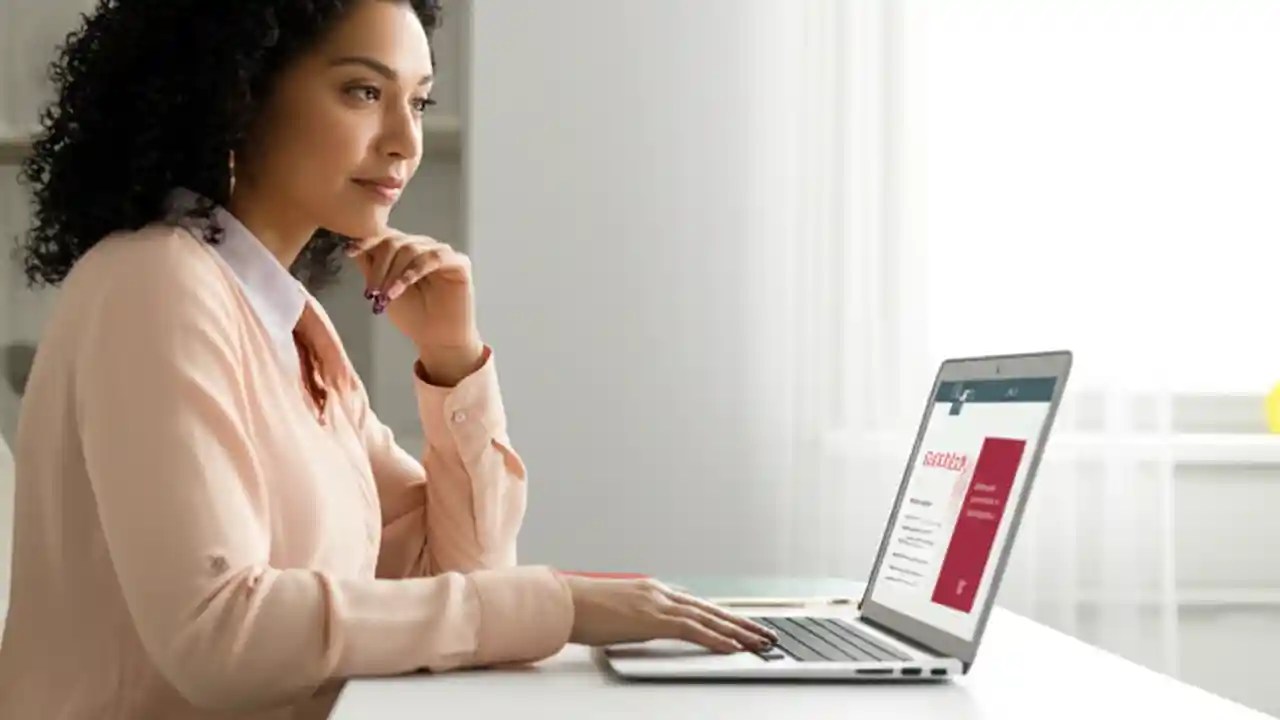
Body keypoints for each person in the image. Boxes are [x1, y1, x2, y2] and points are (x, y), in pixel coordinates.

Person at [0, 1, 777, 717]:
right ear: (237, 92)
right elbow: (218, 637)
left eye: (419, 100)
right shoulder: (156, 284)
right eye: (364, 93)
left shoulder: (287, 322)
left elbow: (461, 575)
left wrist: (452, 362)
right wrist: (561, 606)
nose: (405, 140)